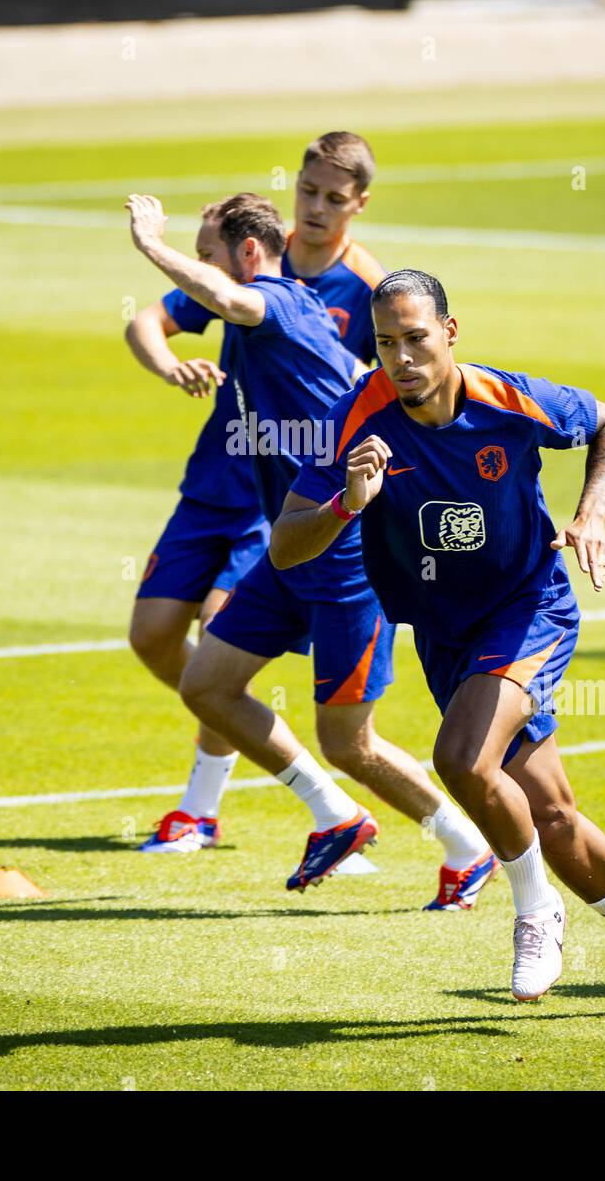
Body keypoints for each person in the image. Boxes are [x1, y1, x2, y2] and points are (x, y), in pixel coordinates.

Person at [268, 269, 605, 1018]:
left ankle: (535, 912)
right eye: (384, 344)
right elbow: (284, 548)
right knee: (553, 815)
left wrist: (591, 512)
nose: (400, 358)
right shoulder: (357, 418)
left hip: (527, 607)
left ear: (449, 332)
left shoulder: (507, 399)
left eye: (414, 338)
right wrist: (348, 501)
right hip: (444, 632)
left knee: (459, 758)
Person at [125, 196, 494, 903]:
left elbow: (224, 296)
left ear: (250, 254)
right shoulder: (271, 311)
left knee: (349, 742)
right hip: (292, 544)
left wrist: (150, 244)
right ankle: (335, 815)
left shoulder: (277, 305)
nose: (200, 268)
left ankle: (465, 844)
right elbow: (194, 305)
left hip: (351, 556)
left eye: (208, 253)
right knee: (206, 683)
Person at [124, 132, 384, 853]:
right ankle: (246, 731)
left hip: (288, 495)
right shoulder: (249, 258)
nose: (316, 208)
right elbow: (151, 317)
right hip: (219, 476)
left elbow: (391, 383)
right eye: (308, 191)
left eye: (334, 198)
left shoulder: (364, 290)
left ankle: (204, 807)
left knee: (219, 635)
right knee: (152, 638)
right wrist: (169, 363)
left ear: (358, 204)